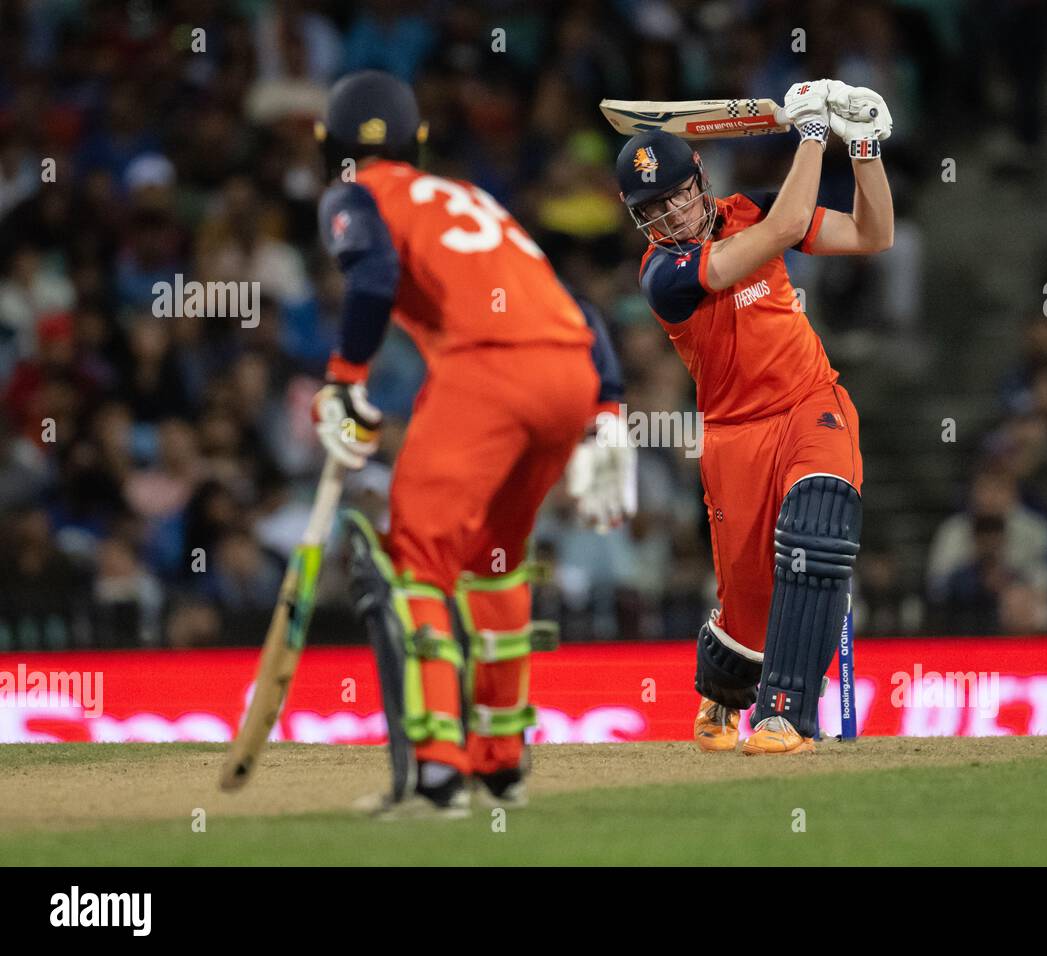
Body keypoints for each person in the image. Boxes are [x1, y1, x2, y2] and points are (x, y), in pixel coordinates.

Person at [312, 70, 632, 816]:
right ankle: (501, 758)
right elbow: (577, 305)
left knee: (417, 558)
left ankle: (437, 769)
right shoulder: (470, 197)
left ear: (327, 148)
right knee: (495, 559)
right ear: (420, 143)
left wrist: (344, 379)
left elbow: (372, 275)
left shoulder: (352, 192)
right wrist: (609, 408)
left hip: (489, 368)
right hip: (569, 368)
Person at [616, 80, 894, 754]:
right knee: (747, 606)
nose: (671, 217)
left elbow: (872, 233)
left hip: (810, 404)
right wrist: (810, 132)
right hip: (733, 437)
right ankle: (726, 694)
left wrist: (861, 147)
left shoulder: (751, 210)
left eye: (676, 197)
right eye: (652, 210)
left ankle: (787, 713)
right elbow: (785, 230)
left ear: (699, 183)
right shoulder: (665, 273)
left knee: (817, 530)